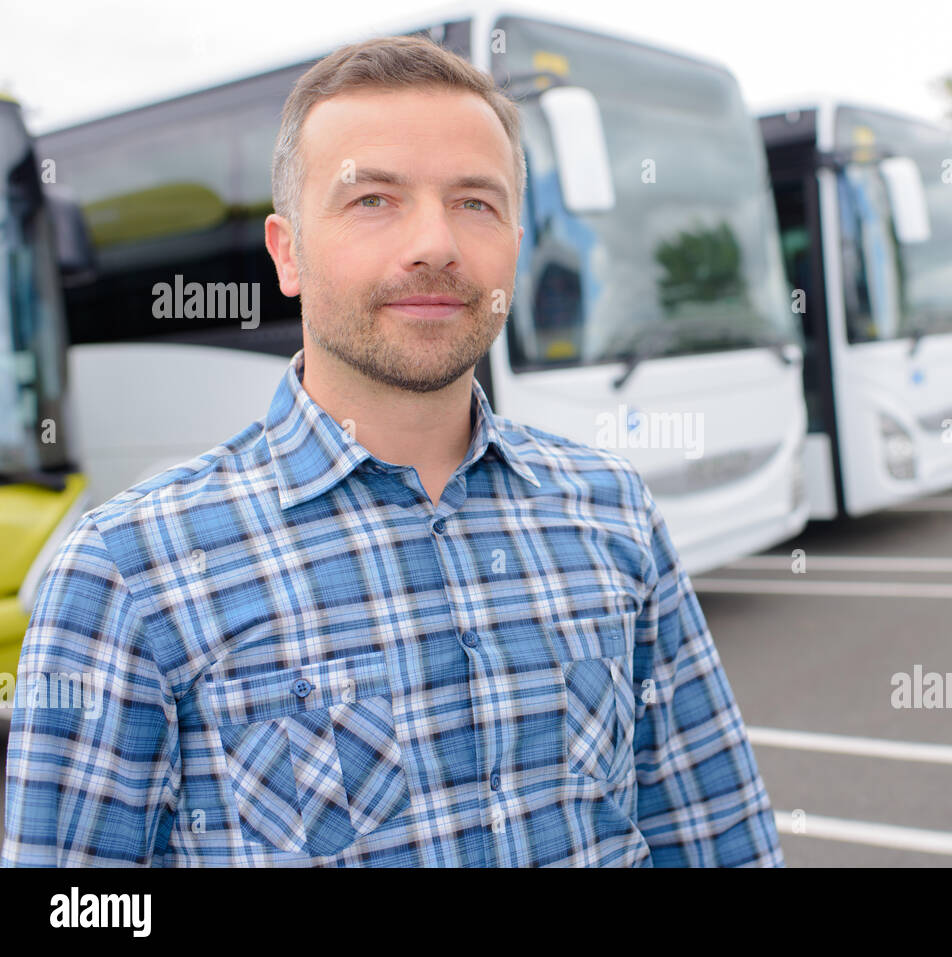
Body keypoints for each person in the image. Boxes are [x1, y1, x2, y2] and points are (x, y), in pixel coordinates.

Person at [0, 34, 783, 867]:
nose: (435, 244)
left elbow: (715, 835)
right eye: (374, 199)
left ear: (515, 245)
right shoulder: (124, 573)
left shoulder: (614, 512)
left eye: (475, 203)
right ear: (287, 252)